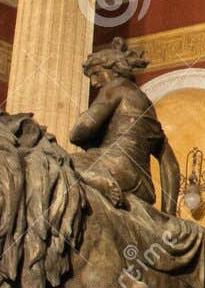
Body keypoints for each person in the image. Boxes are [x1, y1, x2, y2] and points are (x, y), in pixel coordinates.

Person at [66, 38, 181, 212]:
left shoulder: (115, 88)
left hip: (113, 168)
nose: (94, 83)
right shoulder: (147, 104)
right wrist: (169, 214)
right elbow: (170, 164)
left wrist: (85, 121)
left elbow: (80, 132)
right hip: (143, 186)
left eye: (96, 74)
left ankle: (102, 183)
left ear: (115, 70)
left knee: (55, 161)